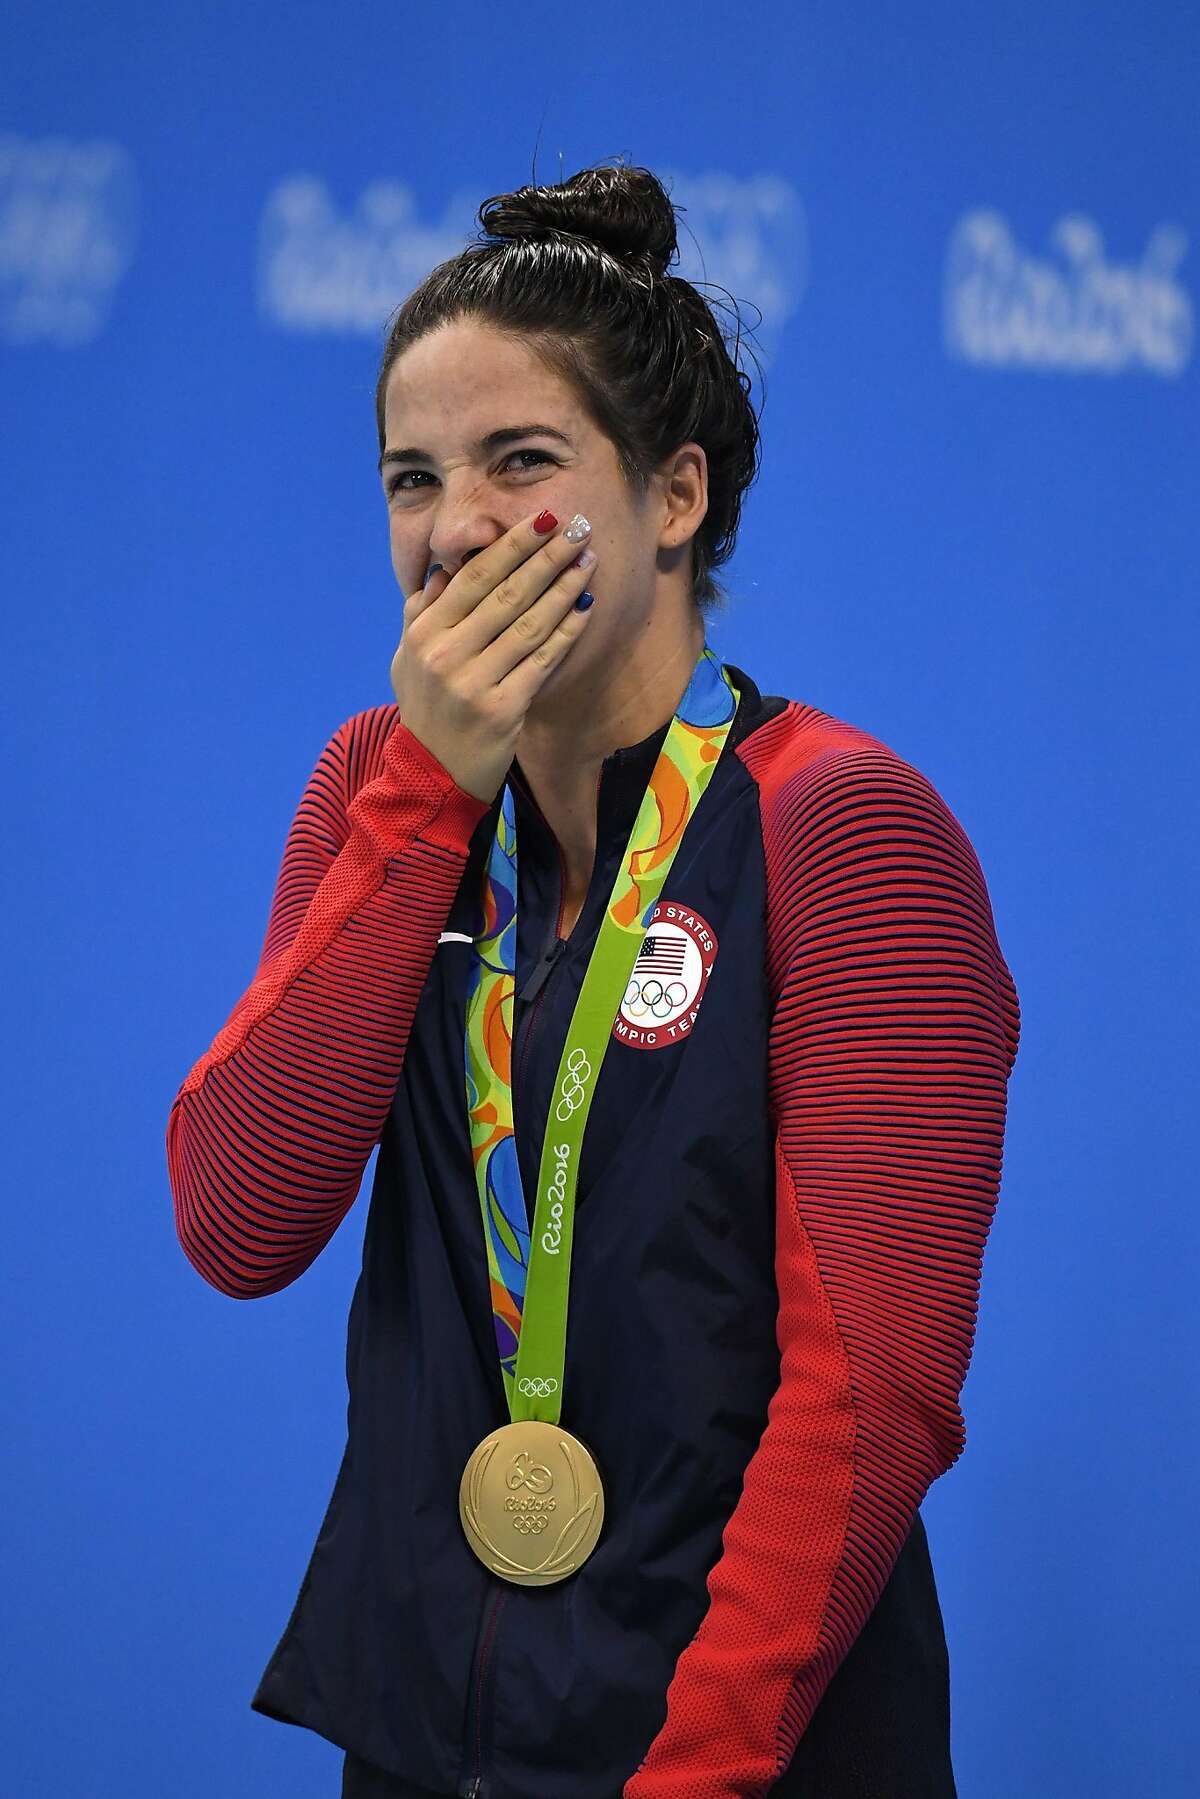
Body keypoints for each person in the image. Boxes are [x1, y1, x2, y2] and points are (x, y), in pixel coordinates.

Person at [166, 159, 1021, 1799]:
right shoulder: (381, 793)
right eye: (412, 478)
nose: (455, 526)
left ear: (674, 496)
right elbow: (236, 1219)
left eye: (522, 462)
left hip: (743, 1761)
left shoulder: (847, 830)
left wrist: (693, 1780)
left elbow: (878, 1399)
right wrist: (425, 793)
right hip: (426, 1748)